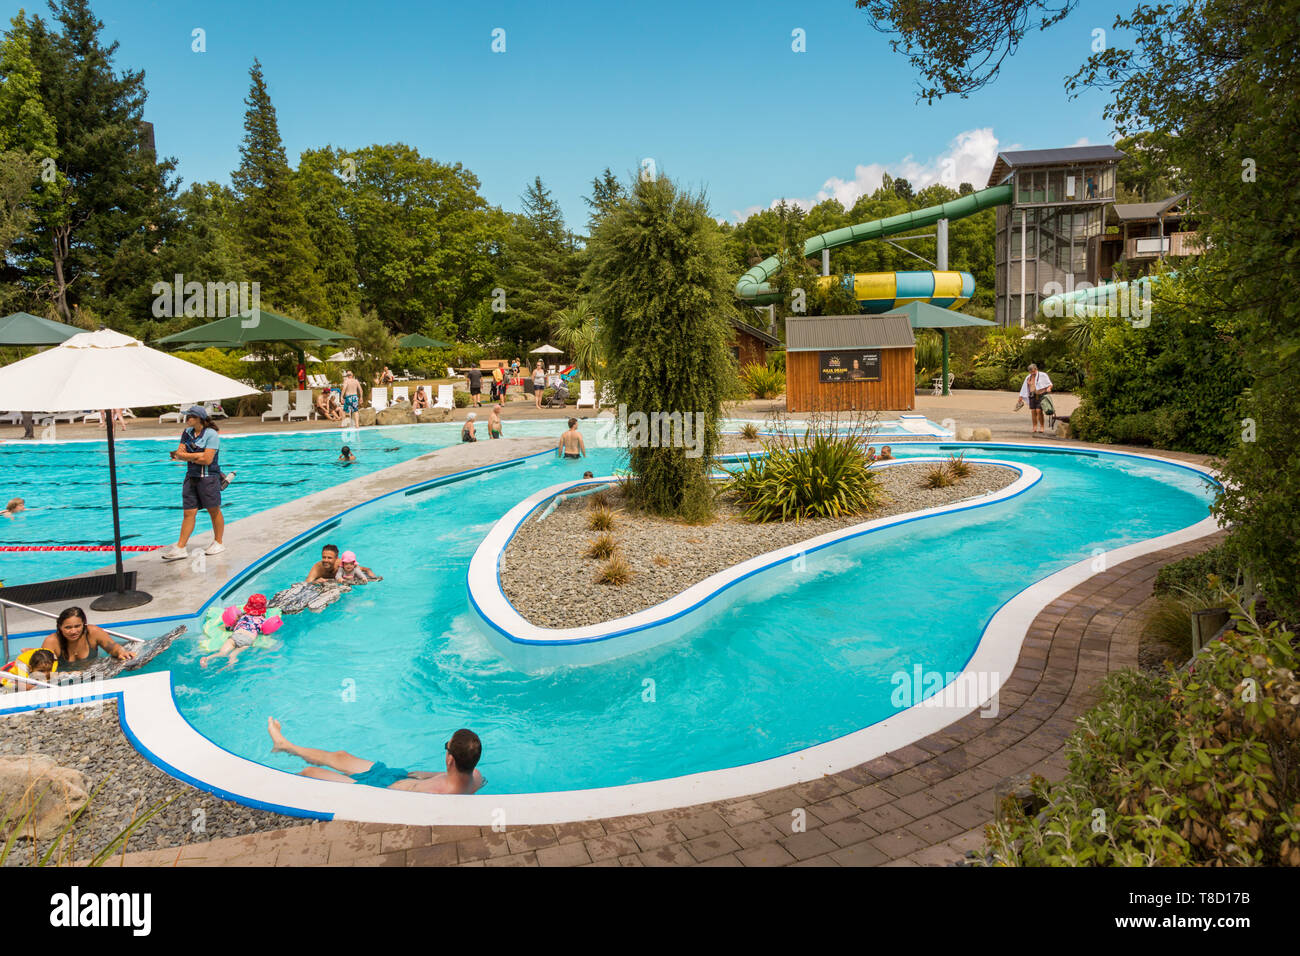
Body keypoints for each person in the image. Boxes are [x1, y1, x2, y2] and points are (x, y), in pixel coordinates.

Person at [268, 718, 485, 794]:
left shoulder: (438, 795)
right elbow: (444, 776)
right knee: (342, 757)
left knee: (310, 772)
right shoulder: (475, 776)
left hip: (378, 790)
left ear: (450, 759)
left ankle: (274, 787)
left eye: (446, 746)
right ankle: (285, 745)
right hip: (398, 777)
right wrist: (415, 776)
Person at [159, 406, 226, 560]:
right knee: (188, 512)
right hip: (191, 477)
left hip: (208, 478)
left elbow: (207, 460)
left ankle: (219, 542)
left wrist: (187, 455)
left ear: (199, 418)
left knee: (213, 510)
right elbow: (178, 454)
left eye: (190, 416)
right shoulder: (187, 432)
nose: (186, 419)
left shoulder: (211, 434)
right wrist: (196, 455)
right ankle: (181, 547)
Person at [41, 607, 136, 667]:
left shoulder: (93, 632)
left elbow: (113, 647)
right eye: (68, 627)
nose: (73, 631)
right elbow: (44, 672)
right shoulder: (52, 642)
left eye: (77, 626)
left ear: (83, 624)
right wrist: (70, 675)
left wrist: (121, 652)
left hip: (93, 672)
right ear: (60, 627)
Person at [200, 594, 271, 669]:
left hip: (235, 636)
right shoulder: (262, 620)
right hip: (247, 640)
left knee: (222, 653)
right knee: (233, 655)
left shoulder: (241, 616)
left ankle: (206, 658)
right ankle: (230, 663)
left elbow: (229, 627)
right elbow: (266, 632)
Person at [1018, 363, 1054, 435]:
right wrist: (1021, 397)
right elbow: (1024, 388)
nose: (1033, 373)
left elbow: (1050, 384)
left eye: (1034, 371)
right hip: (1032, 395)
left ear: (1036, 369)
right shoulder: (1028, 377)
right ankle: (1034, 426)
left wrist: (1049, 388)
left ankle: (1042, 426)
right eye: (1031, 372)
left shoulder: (1043, 375)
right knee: (1033, 411)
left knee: (1039, 411)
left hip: (1041, 395)